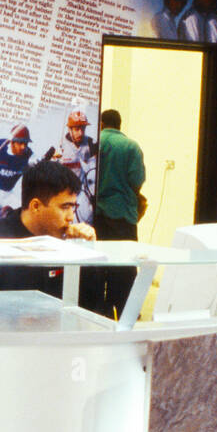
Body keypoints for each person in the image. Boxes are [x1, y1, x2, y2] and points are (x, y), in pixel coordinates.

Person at [0, 160, 98, 303]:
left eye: (73, 207)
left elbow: (88, 307)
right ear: (35, 206)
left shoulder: (65, 243)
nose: (71, 217)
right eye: (65, 207)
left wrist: (87, 255)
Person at [91, 109, 145, 319]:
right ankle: (124, 311)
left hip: (96, 216)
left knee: (97, 264)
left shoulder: (95, 144)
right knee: (124, 265)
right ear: (120, 124)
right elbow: (137, 180)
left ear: (102, 123)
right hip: (123, 215)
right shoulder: (131, 146)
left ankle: (96, 311)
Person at [59, 109, 97, 222]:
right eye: (76, 129)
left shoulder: (91, 143)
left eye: (83, 129)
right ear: (69, 129)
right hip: (64, 191)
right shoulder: (60, 146)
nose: (80, 133)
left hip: (82, 191)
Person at [0, 124, 34, 193]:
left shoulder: (30, 156)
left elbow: (41, 164)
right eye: (20, 143)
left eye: (26, 143)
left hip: (8, 194)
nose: (23, 147)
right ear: (12, 142)